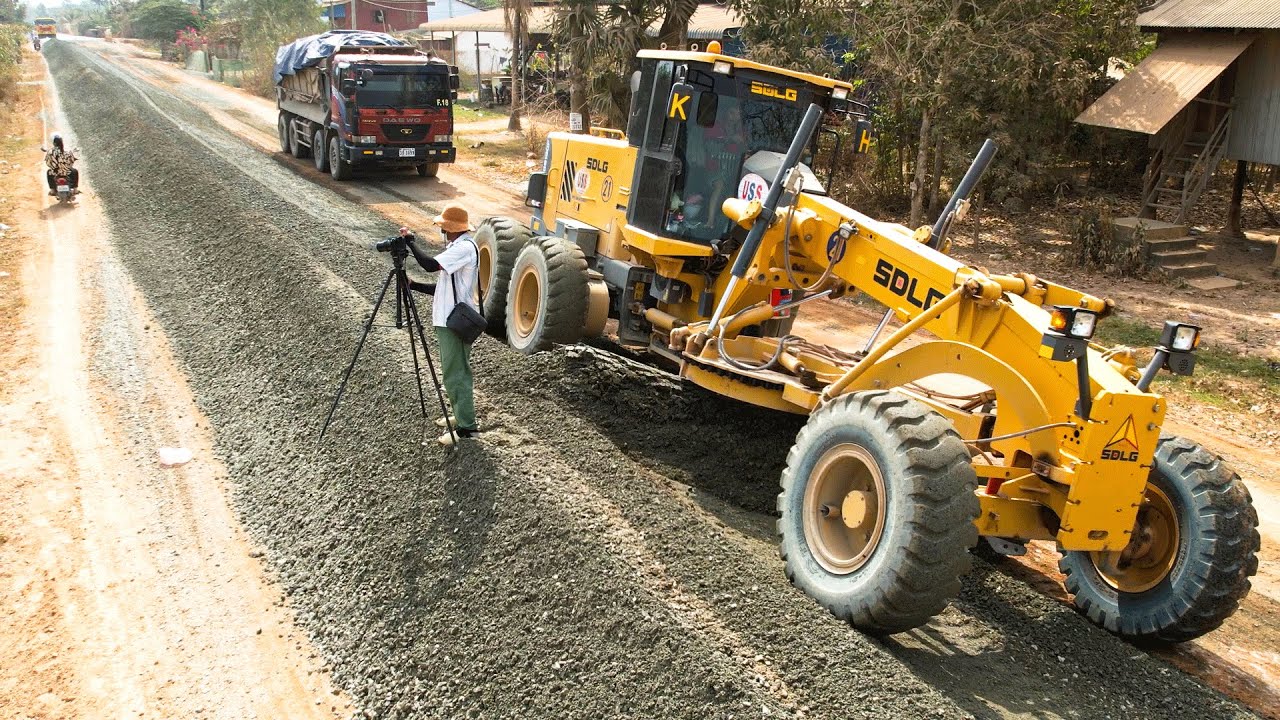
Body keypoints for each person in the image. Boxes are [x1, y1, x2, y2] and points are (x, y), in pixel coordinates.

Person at [405, 204, 481, 446]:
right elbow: (443, 288)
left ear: (450, 228)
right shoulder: (457, 247)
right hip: (448, 319)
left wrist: (410, 242)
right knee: (452, 372)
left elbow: (429, 265)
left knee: (455, 373)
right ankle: (459, 416)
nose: (442, 231)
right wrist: (414, 285)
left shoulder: (463, 248)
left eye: (443, 227)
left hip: (454, 323)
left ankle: (467, 428)